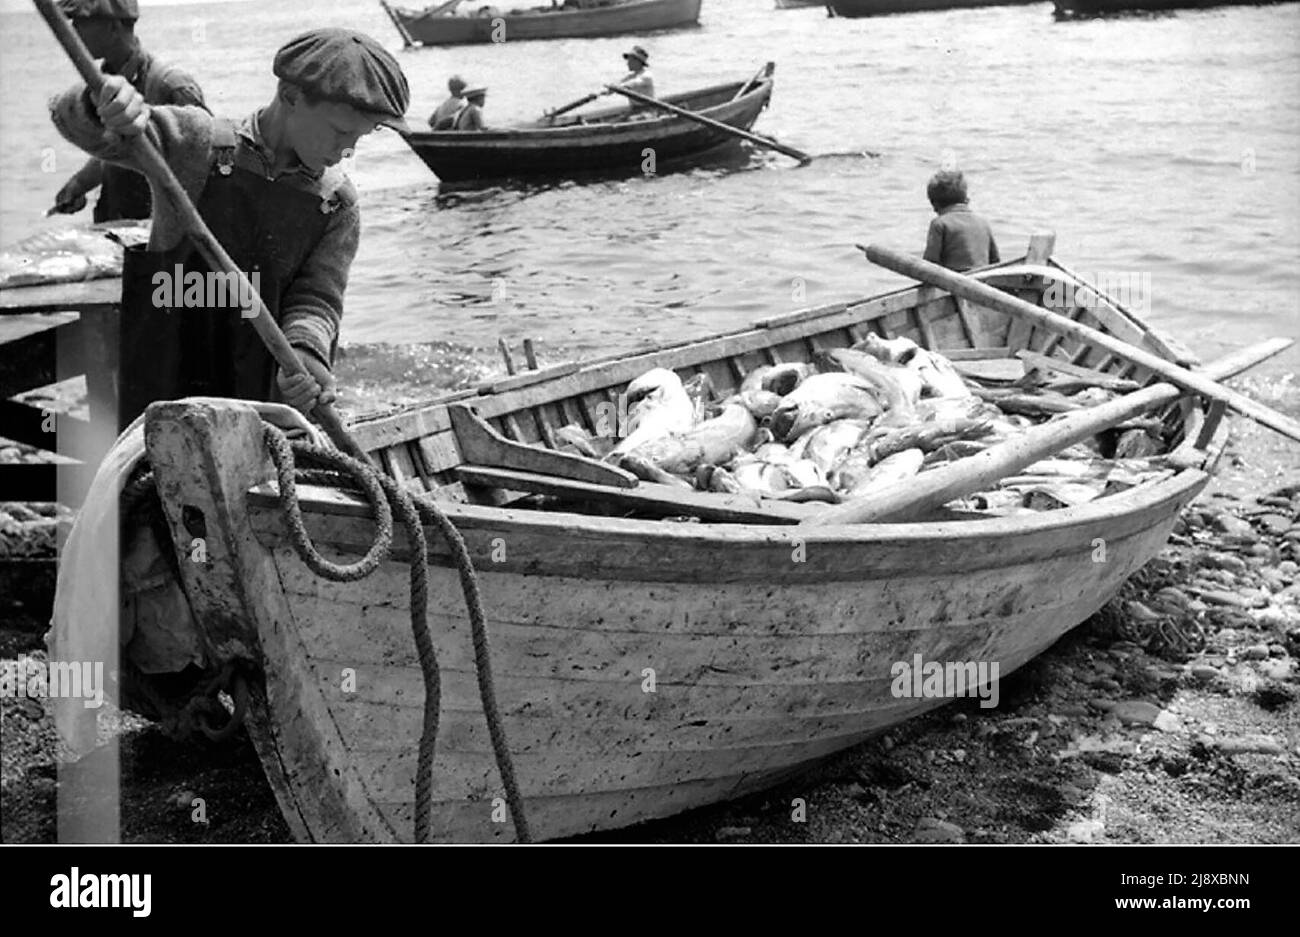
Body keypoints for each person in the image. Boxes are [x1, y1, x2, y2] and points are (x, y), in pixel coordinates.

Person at [49, 27, 410, 429]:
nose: (347, 150)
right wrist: (104, 103)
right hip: (166, 385)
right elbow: (83, 128)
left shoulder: (335, 205)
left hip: (263, 404)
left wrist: (306, 353)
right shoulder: (195, 144)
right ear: (291, 96)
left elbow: (316, 299)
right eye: (342, 132)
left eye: (359, 138)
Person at [49, 0, 208, 223]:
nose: (73, 30)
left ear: (113, 28)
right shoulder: (102, 85)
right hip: (115, 225)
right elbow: (118, 151)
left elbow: (204, 166)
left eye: (80, 22)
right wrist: (78, 184)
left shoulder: (171, 85)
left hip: (155, 239)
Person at [922, 170, 1000, 272]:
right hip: (982, 278)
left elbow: (930, 265)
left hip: (953, 281)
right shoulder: (982, 223)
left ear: (935, 204)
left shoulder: (939, 224)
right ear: (965, 199)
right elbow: (995, 262)